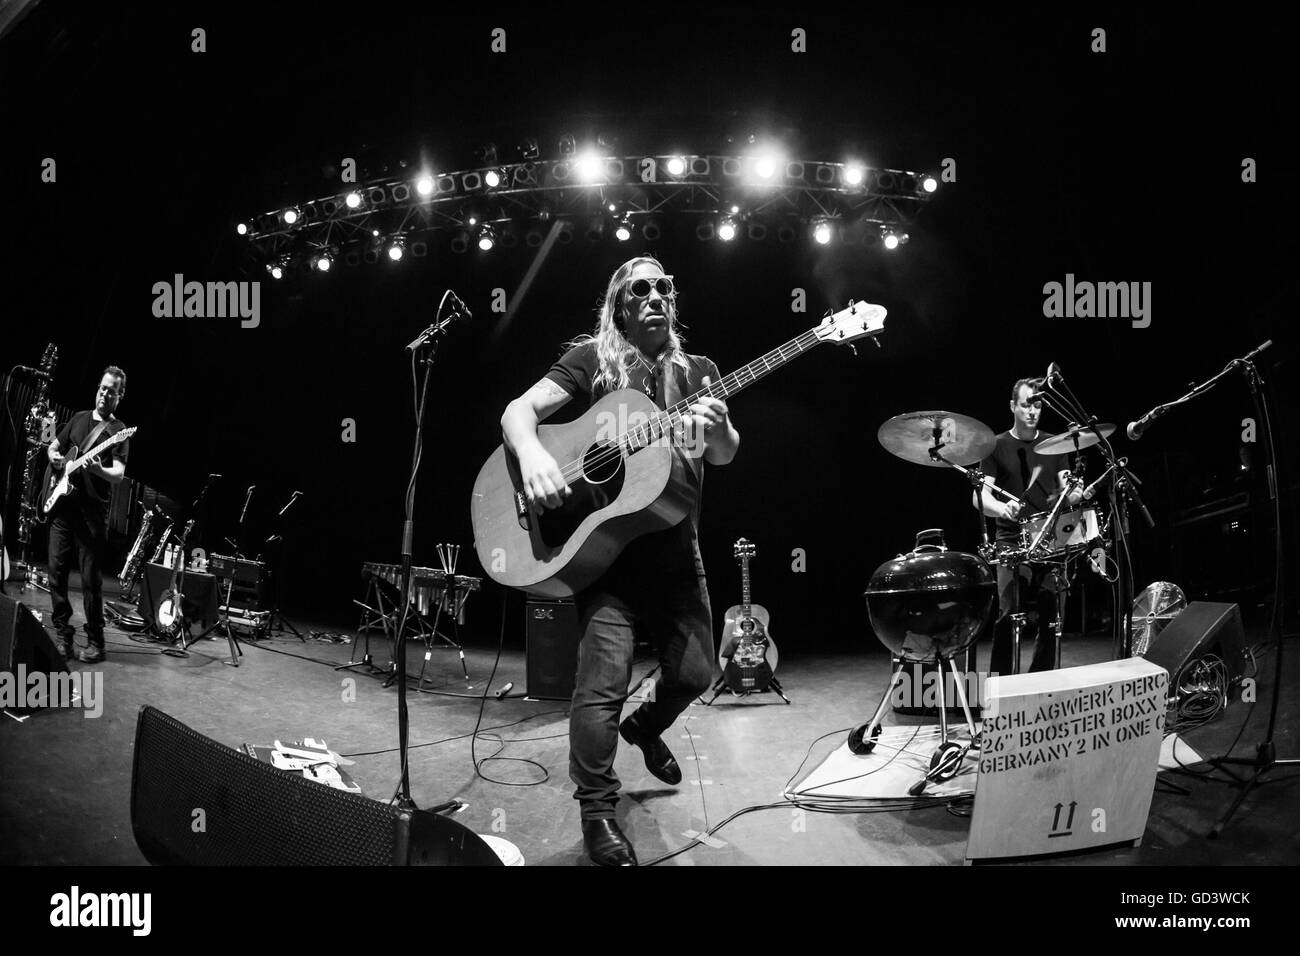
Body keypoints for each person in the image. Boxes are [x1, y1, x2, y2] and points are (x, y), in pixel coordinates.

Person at [499, 256, 739, 866]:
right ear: (620, 305)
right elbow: (517, 413)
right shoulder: (591, 361)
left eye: (665, 286)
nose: (656, 295)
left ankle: (645, 728)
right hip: (606, 560)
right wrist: (532, 456)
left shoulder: (700, 372)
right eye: (642, 289)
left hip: (678, 554)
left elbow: (725, 454)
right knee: (600, 688)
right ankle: (598, 814)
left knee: (695, 675)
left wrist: (718, 430)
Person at [974, 377, 1081, 674]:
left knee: (1052, 615)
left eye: (1037, 404)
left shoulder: (1056, 444)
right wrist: (1001, 507)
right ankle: (1001, 686)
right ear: (1012, 406)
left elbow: (1068, 492)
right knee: (1009, 614)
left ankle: (1039, 683)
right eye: (1025, 404)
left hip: (1051, 538)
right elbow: (979, 496)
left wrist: (1073, 493)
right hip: (1011, 539)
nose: (1032, 411)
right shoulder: (996, 445)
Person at [47, 366, 130, 662]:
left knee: (89, 582)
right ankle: (62, 634)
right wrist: (54, 457)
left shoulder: (118, 431)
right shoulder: (79, 418)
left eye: (112, 390)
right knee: (55, 572)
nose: (105, 394)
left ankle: (97, 641)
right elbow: (55, 445)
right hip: (63, 509)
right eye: (102, 387)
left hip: (92, 515)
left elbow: (119, 474)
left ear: (120, 396)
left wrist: (97, 469)